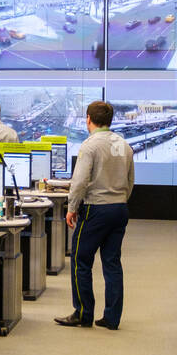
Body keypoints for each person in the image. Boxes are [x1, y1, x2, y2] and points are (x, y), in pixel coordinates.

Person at [56, 101, 135, 330]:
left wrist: (72, 207)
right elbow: (130, 182)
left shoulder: (89, 145)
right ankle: (111, 318)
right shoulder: (124, 144)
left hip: (95, 209)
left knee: (81, 260)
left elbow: (80, 181)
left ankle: (83, 312)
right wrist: (119, 200)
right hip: (119, 208)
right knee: (112, 263)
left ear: (88, 119)